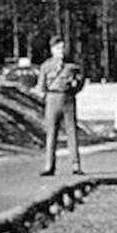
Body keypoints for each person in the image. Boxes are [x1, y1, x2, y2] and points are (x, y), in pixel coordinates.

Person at [35, 36, 86, 176]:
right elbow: (41, 86)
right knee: (51, 133)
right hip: (52, 98)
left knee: (72, 133)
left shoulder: (72, 66)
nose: (61, 51)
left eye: (63, 48)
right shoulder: (46, 66)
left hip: (68, 99)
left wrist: (74, 90)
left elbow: (81, 82)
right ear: (52, 50)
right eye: (58, 48)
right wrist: (45, 95)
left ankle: (76, 165)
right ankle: (49, 166)